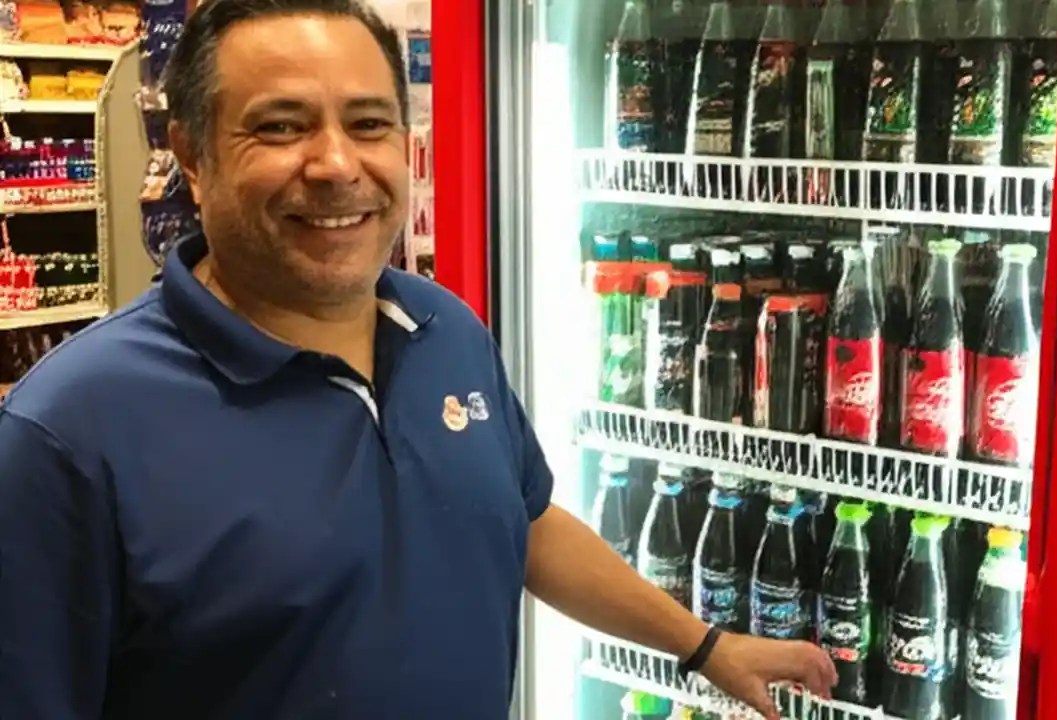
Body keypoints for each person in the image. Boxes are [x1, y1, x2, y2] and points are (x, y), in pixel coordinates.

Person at [0, 0, 835, 717]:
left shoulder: (445, 330)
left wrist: (703, 645)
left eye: (368, 124)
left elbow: (522, 520)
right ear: (191, 153)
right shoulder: (72, 430)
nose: (337, 165)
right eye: (280, 127)